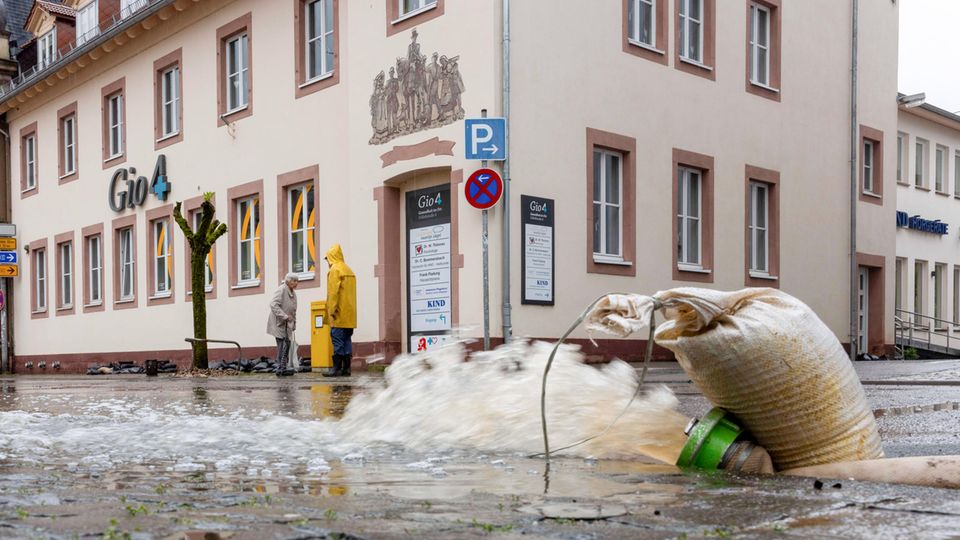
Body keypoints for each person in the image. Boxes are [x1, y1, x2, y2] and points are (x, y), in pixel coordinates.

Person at [323, 244, 357, 377]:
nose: (327, 262)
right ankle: (346, 368)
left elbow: (333, 293)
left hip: (339, 314)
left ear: (331, 257)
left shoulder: (335, 270)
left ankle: (336, 369)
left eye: (327, 259)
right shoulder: (348, 270)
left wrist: (332, 310)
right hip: (350, 315)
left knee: (337, 340)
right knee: (347, 340)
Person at [267, 273, 299, 377]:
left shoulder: (293, 294)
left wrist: (294, 324)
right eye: (294, 281)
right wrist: (284, 316)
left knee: (287, 344)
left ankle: (283, 367)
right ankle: (280, 368)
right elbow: (273, 304)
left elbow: (293, 311)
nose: (296, 283)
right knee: (282, 345)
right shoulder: (281, 290)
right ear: (288, 281)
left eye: (297, 281)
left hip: (287, 324)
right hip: (278, 323)